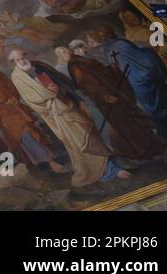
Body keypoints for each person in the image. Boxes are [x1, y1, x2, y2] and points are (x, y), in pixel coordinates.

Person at [9, 49, 127, 188]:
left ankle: (109, 166)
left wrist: (58, 89)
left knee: (90, 134)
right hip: (56, 113)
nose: (22, 61)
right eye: (18, 60)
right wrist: (50, 93)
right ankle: (108, 171)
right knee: (80, 140)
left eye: (23, 56)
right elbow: (32, 100)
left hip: (68, 105)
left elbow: (61, 83)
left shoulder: (38, 67)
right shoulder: (17, 78)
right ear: (13, 62)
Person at [61, 40, 161, 160]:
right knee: (125, 125)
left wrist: (113, 69)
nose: (85, 50)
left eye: (85, 48)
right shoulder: (76, 65)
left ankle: (152, 146)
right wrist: (105, 96)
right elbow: (87, 84)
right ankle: (140, 152)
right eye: (83, 48)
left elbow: (103, 74)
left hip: (114, 95)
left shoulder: (85, 61)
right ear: (76, 50)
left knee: (133, 120)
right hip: (106, 100)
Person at [86, 25, 167, 138]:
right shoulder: (120, 44)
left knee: (162, 103)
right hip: (143, 80)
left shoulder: (108, 49)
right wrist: (148, 51)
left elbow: (118, 66)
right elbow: (143, 59)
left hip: (134, 83)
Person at [0, 53, 65, 174]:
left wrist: (14, 97)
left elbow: (11, 85)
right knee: (23, 134)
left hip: (15, 107)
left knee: (31, 130)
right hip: (2, 112)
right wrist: (0, 105)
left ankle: (46, 159)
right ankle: (49, 161)